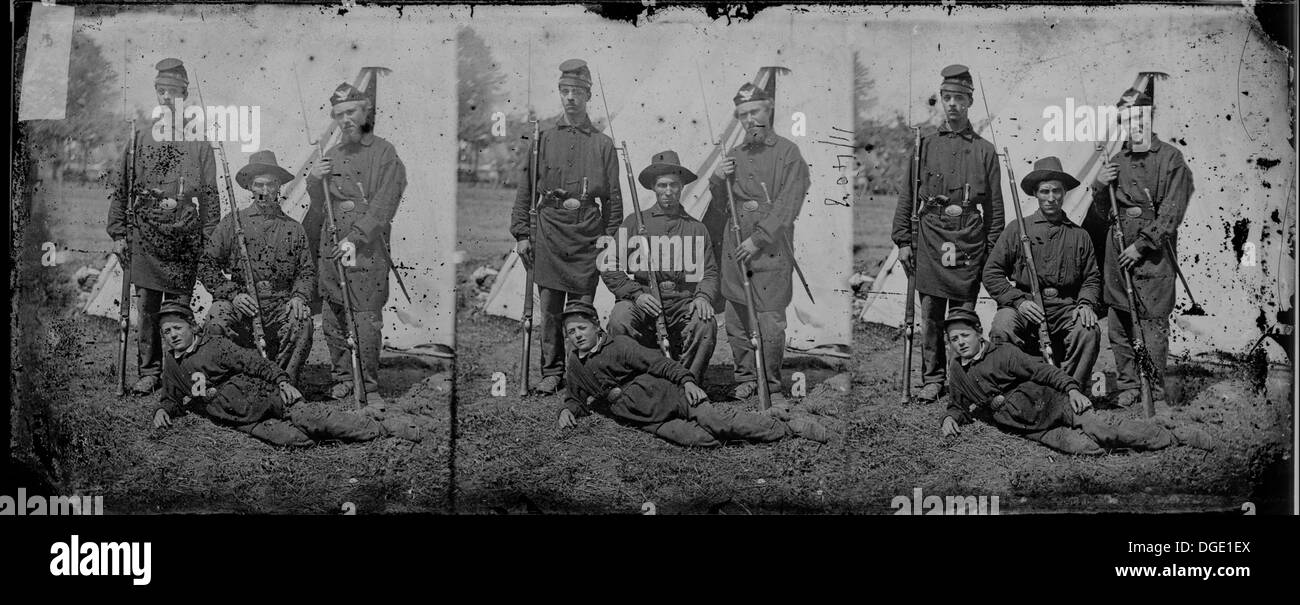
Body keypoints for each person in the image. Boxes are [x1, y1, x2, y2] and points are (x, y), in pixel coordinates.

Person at [939, 307, 1213, 454]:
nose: (960, 343)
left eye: (965, 335)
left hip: (1055, 404)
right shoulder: (958, 370)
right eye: (954, 339)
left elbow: (1044, 371)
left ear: (978, 333)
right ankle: (1140, 433)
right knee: (1084, 447)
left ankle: (1173, 435)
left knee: (1104, 432)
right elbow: (958, 402)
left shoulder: (1004, 353)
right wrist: (950, 417)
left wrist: (1071, 390)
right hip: (1034, 428)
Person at [556, 301, 829, 448]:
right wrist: (568, 410)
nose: (578, 335)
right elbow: (575, 395)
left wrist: (687, 382)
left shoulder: (620, 345)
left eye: (582, 328)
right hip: (647, 419)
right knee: (702, 439)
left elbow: (659, 363)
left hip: (672, 397)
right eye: (571, 332)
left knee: (717, 422)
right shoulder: (576, 365)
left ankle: (787, 428)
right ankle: (760, 420)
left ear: (595, 326)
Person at [150, 302, 422, 447]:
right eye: (167, 332)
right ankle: (355, 422)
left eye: (177, 328)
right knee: (296, 440)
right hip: (244, 421)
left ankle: (385, 428)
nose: (173, 335)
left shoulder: (216, 346)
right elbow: (170, 395)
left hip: (266, 399)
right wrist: (164, 409)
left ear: (192, 327)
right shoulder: (172, 364)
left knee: (312, 420)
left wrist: (281, 381)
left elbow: (254, 362)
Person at [107, 58, 220, 395]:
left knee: (180, 307)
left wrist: (208, 240)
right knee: (147, 308)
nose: (167, 98)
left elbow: (211, 198)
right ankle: (150, 371)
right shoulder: (139, 133)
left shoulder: (199, 140)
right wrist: (117, 234)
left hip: (183, 234)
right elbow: (121, 185)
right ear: (156, 92)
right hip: (146, 233)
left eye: (174, 92)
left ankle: (180, 371)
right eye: (162, 91)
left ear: (186, 94)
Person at [891, 65, 1004, 403]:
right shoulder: (923, 145)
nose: (953, 104)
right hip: (930, 238)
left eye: (960, 98)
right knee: (930, 316)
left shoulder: (984, 150)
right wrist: (902, 241)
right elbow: (907, 197)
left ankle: (962, 377)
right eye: (947, 97)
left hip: (968, 242)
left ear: (970, 102)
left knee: (963, 316)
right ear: (941, 100)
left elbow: (995, 211)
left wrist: (990, 251)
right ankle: (932, 379)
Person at [510, 58, 623, 395]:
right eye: (565, 91)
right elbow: (525, 188)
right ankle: (552, 372)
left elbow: (614, 198)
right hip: (548, 232)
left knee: (582, 309)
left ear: (588, 96)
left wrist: (608, 235)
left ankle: (583, 371)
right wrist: (521, 234)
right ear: (560, 94)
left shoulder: (602, 144)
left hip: (587, 235)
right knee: (549, 310)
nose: (570, 97)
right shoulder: (542, 138)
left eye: (577, 91)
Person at [1087, 88, 1194, 412]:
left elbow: (1171, 213)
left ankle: (1155, 391)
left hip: (1153, 257)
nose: (1133, 125)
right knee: (1119, 324)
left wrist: (1142, 245)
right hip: (1117, 251)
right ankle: (1130, 385)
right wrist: (1099, 185)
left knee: (1152, 325)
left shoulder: (1171, 159)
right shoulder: (1116, 161)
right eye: (1127, 119)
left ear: (1149, 118)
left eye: (1138, 118)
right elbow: (1105, 213)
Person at [704, 82, 809, 405]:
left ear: (769, 110)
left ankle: (772, 382)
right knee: (736, 318)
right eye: (743, 115)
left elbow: (788, 205)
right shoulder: (733, 156)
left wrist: (759, 239)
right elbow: (721, 206)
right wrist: (718, 179)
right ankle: (746, 377)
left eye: (755, 112)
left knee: (770, 321)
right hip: (736, 250)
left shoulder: (789, 154)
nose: (750, 120)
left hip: (770, 251)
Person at [304, 82, 408, 409]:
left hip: (366, 251)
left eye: (350, 112)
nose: (345, 120)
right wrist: (313, 180)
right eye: (338, 115)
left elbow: (384, 204)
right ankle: (343, 379)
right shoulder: (330, 155)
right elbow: (321, 207)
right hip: (331, 249)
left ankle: (369, 384)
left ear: (365, 111)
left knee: (365, 318)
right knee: (334, 317)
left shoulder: (384, 152)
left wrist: (356, 237)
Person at [983, 156, 1101, 386]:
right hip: (1025, 304)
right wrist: (1018, 302)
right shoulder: (1017, 228)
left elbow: (1092, 278)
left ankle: (1070, 390)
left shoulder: (1079, 235)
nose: (1051, 198)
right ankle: (1009, 390)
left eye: (1056, 191)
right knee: (1002, 326)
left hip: (1065, 307)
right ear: (1035, 194)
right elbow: (992, 272)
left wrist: (1085, 304)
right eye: (1044, 191)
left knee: (1089, 330)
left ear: (1065, 192)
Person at [603, 150, 719, 383]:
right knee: (619, 317)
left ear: (682, 187)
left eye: (674, 185)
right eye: (662, 185)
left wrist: (703, 297)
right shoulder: (635, 222)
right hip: (645, 300)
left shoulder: (696, 228)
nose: (668, 191)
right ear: (654, 188)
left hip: (681, 302)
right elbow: (609, 265)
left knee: (705, 322)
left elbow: (709, 272)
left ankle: (687, 382)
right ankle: (632, 382)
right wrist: (636, 295)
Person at [200, 150, 314, 383]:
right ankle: (224, 381)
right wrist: (233, 295)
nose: (264, 192)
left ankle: (283, 383)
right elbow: (207, 265)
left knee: (302, 321)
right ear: (250, 188)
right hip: (244, 303)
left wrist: (299, 297)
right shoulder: (232, 223)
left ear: (278, 188)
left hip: (279, 304)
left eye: (270, 185)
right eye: (258, 185)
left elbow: (306, 271)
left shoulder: (293, 229)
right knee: (216, 316)